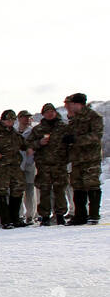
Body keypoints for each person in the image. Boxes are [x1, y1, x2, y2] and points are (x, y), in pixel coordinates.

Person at [63, 92, 103, 225]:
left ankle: (94, 215)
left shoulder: (93, 117)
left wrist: (76, 140)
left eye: (71, 104)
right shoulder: (74, 119)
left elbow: (96, 136)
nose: (70, 106)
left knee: (92, 185)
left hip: (90, 158)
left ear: (77, 104)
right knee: (78, 186)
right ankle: (80, 216)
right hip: (77, 158)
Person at [28, 102, 69, 225]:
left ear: (55, 113)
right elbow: (28, 145)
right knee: (44, 191)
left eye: (52, 112)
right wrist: (39, 143)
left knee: (60, 190)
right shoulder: (38, 129)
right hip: (44, 165)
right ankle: (45, 216)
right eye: (47, 112)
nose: (50, 114)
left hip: (60, 164)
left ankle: (60, 215)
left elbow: (72, 144)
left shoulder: (64, 127)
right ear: (43, 114)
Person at [0, 110, 28, 229]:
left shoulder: (14, 133)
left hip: (15, 166)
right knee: (1, 191)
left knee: (17, 190)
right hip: (1, 167)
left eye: (12, 120)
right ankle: (5, 220)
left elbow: (23, 144)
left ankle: (15, 218)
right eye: (8, 120)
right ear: (3, 120)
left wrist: (32, 146)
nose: (10, 122)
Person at [17, 110, 38, 224]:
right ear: (19, 119)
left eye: (29, 117)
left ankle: (30, 215)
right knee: (18, 191)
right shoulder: (15, 132)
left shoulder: (34, 131)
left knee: (30, 191)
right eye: (24, 117)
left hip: (30, 164)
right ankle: (19, 214)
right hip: (18, 165)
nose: (27, 119)